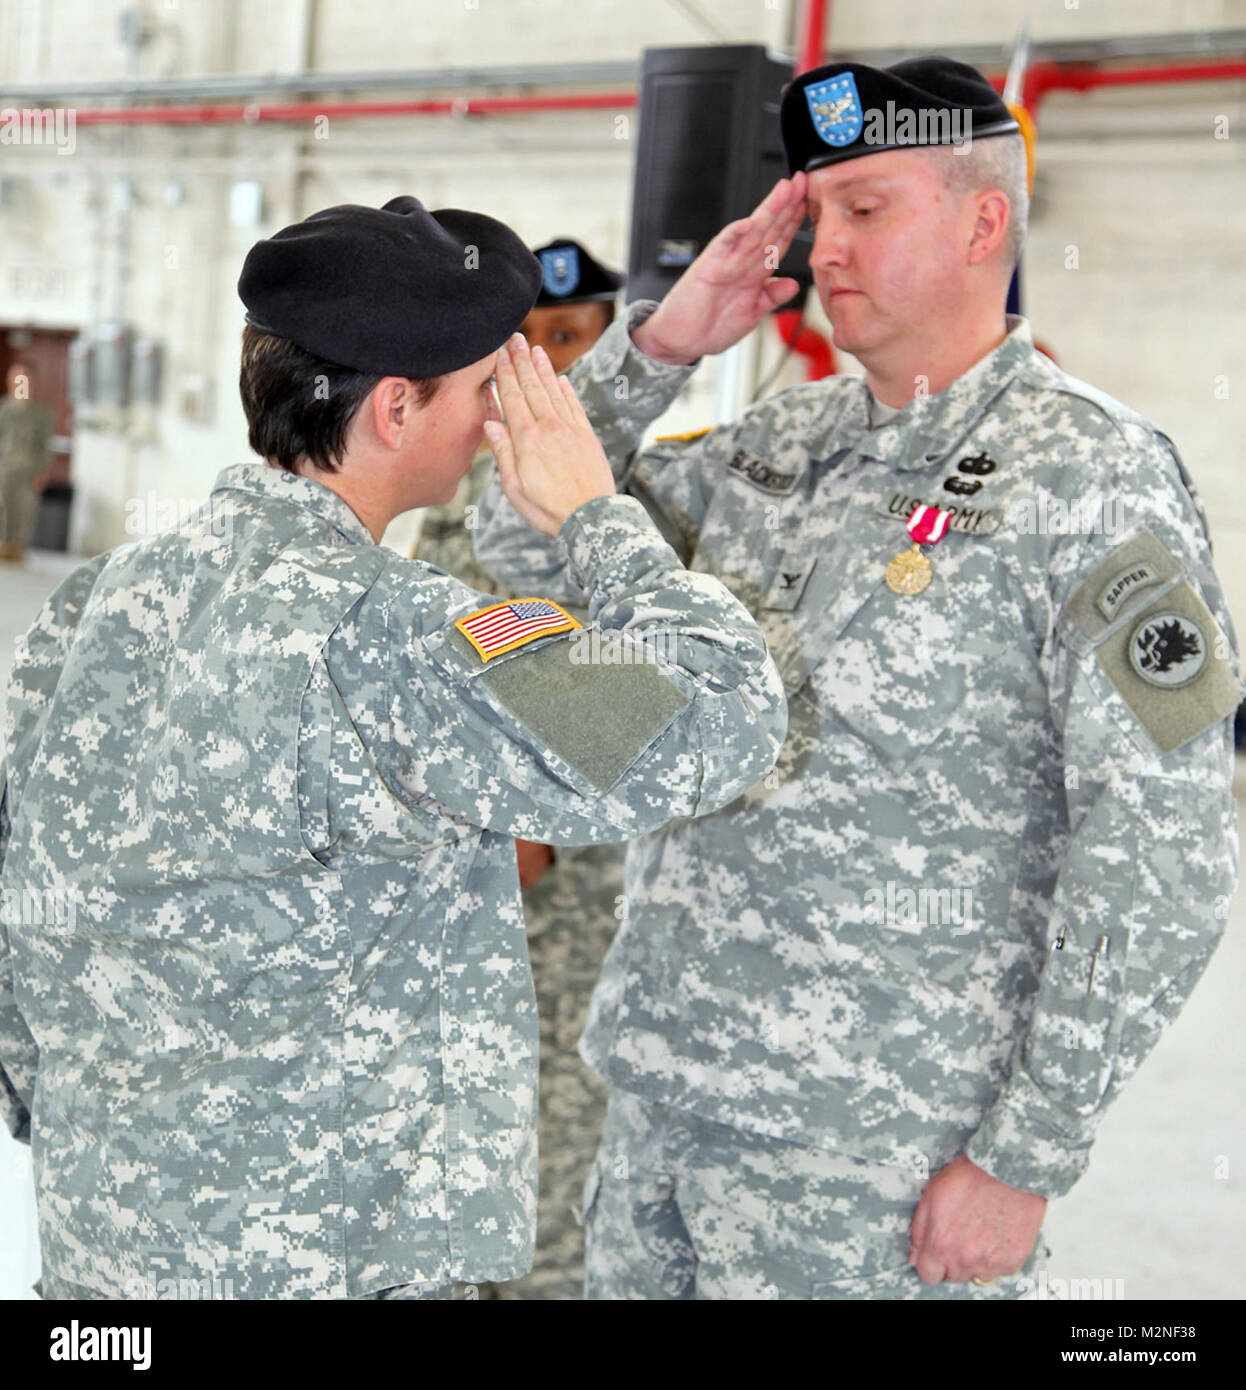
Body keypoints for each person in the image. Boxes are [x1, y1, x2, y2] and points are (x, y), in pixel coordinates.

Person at [473, 58, 1241, 1298]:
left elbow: (1166, 848)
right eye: (816, 211)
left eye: (868, 209)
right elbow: (516, 545)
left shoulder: (1091, 478)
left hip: (878, 1155)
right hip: (665, 1104)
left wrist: (1025, 1154)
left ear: (984, 219)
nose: (826, 245)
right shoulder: (779, 443)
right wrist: (661, 342)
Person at [0, 195, 787, 1300]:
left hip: (106, 1246)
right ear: (398, 410)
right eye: (486, 394)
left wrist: (77, 1121)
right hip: (332, 1259)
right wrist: (593, 516)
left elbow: (15, 885)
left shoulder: (104, 595)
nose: (501, 425)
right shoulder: (409, 635)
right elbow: (718, 721)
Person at [416, 237, 627, 1299]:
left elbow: (631, 725)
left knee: (553, 1179)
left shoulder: (624, 512)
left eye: (568, 338)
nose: (544, 362)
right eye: (526, 343)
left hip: (573, 921)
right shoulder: (456, 508)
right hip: (456, 911)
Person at [0, 362, 53, 563]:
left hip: (28, 468)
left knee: (24, 508)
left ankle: (17, 547)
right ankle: (3, 544)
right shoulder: (5, 409)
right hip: (5, 467)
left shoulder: (41, 412)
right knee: (4, 506)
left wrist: (43, 470)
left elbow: (44, 444)